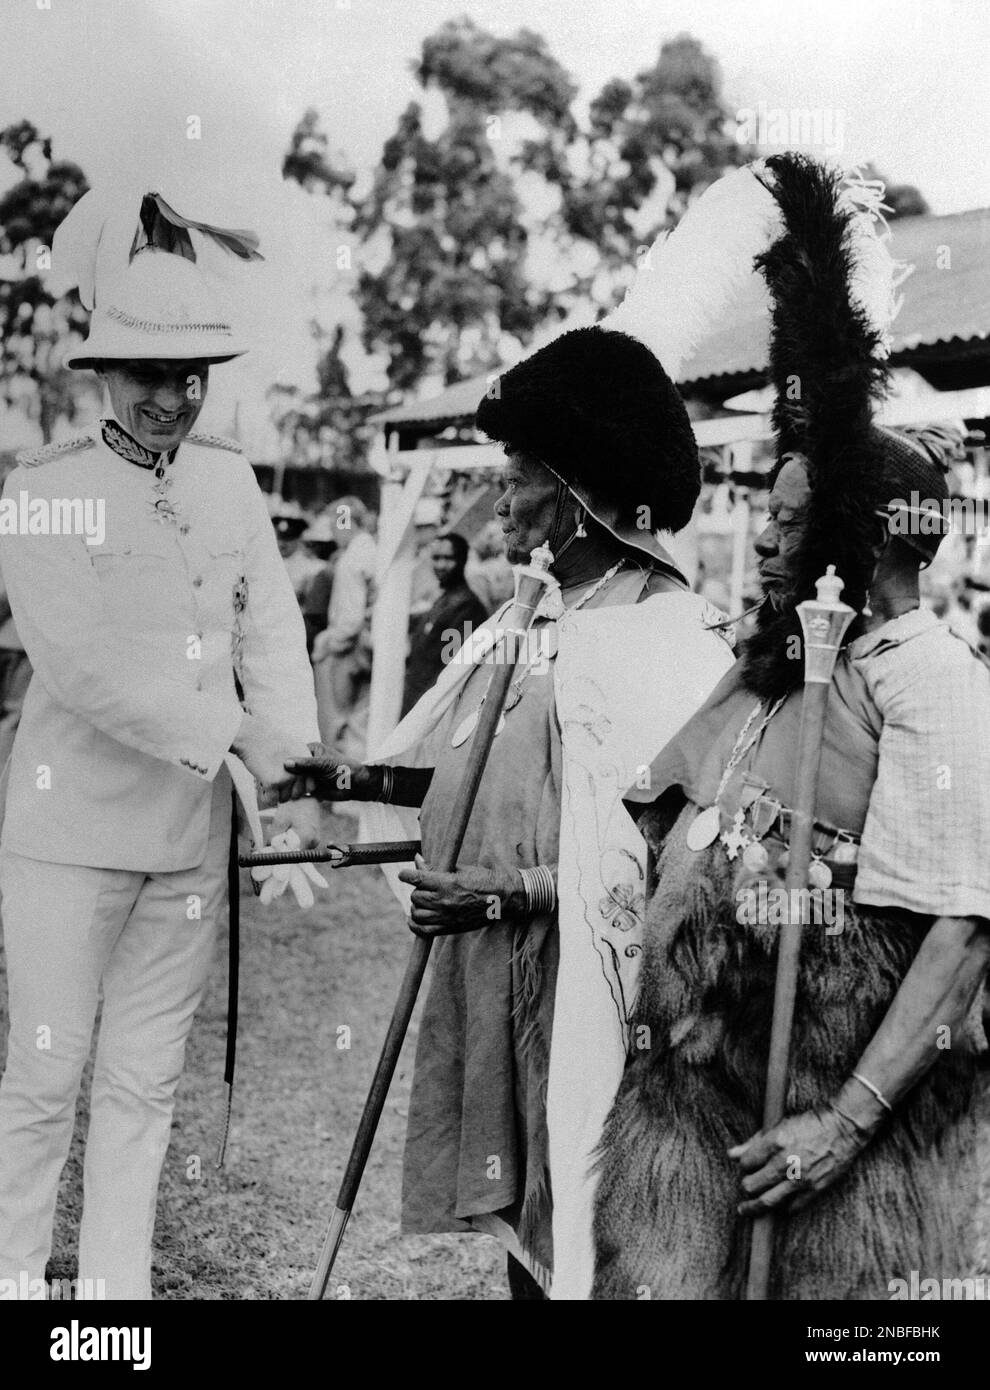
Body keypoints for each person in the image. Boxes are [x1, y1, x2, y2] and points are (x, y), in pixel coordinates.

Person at [592, 155, 990, 1300]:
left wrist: (845, 1125)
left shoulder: (928, 679)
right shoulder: (776, 661)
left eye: (788, 522)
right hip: (693, 1112)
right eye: (761, 517)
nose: (762, 544)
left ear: (864, 533)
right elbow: (666, 811)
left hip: (835, 1147)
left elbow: (962, 935)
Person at [0, 188, 322, 1300]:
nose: (173, 398)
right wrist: (234, 737)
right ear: (100, 373)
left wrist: (305, 775)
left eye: (192, 377)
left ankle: (111, 1302)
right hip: (68, 833)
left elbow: (271, 630)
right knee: (43, 1077)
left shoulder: (230, 478)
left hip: (184, 845)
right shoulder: (43, 495)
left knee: (143, 1085)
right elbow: (86, 667)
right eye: (148, 375)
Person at [400, 532, 487, 717]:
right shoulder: (444, 599)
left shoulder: (468, 607)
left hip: (427, 707)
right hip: (413, 697)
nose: (440, 565)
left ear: (462, 560)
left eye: (448, 559)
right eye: (436, 558)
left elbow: (453, 668)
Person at [318, 496, 377, 759]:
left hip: (350, 649)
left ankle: (344, 786)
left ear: (344, 523)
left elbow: (350, 619)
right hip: (369, 645)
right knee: (363, 720)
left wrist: (330, 643)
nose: (332, 534)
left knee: (341, 720)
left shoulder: (351, 559)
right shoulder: (373, 551)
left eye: (334, 526)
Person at [271, 499, 323, 604]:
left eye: (288, 539)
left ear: (298, 539)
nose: (282, 544)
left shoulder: (309, 567)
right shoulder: (269, 562)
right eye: (280, 539)